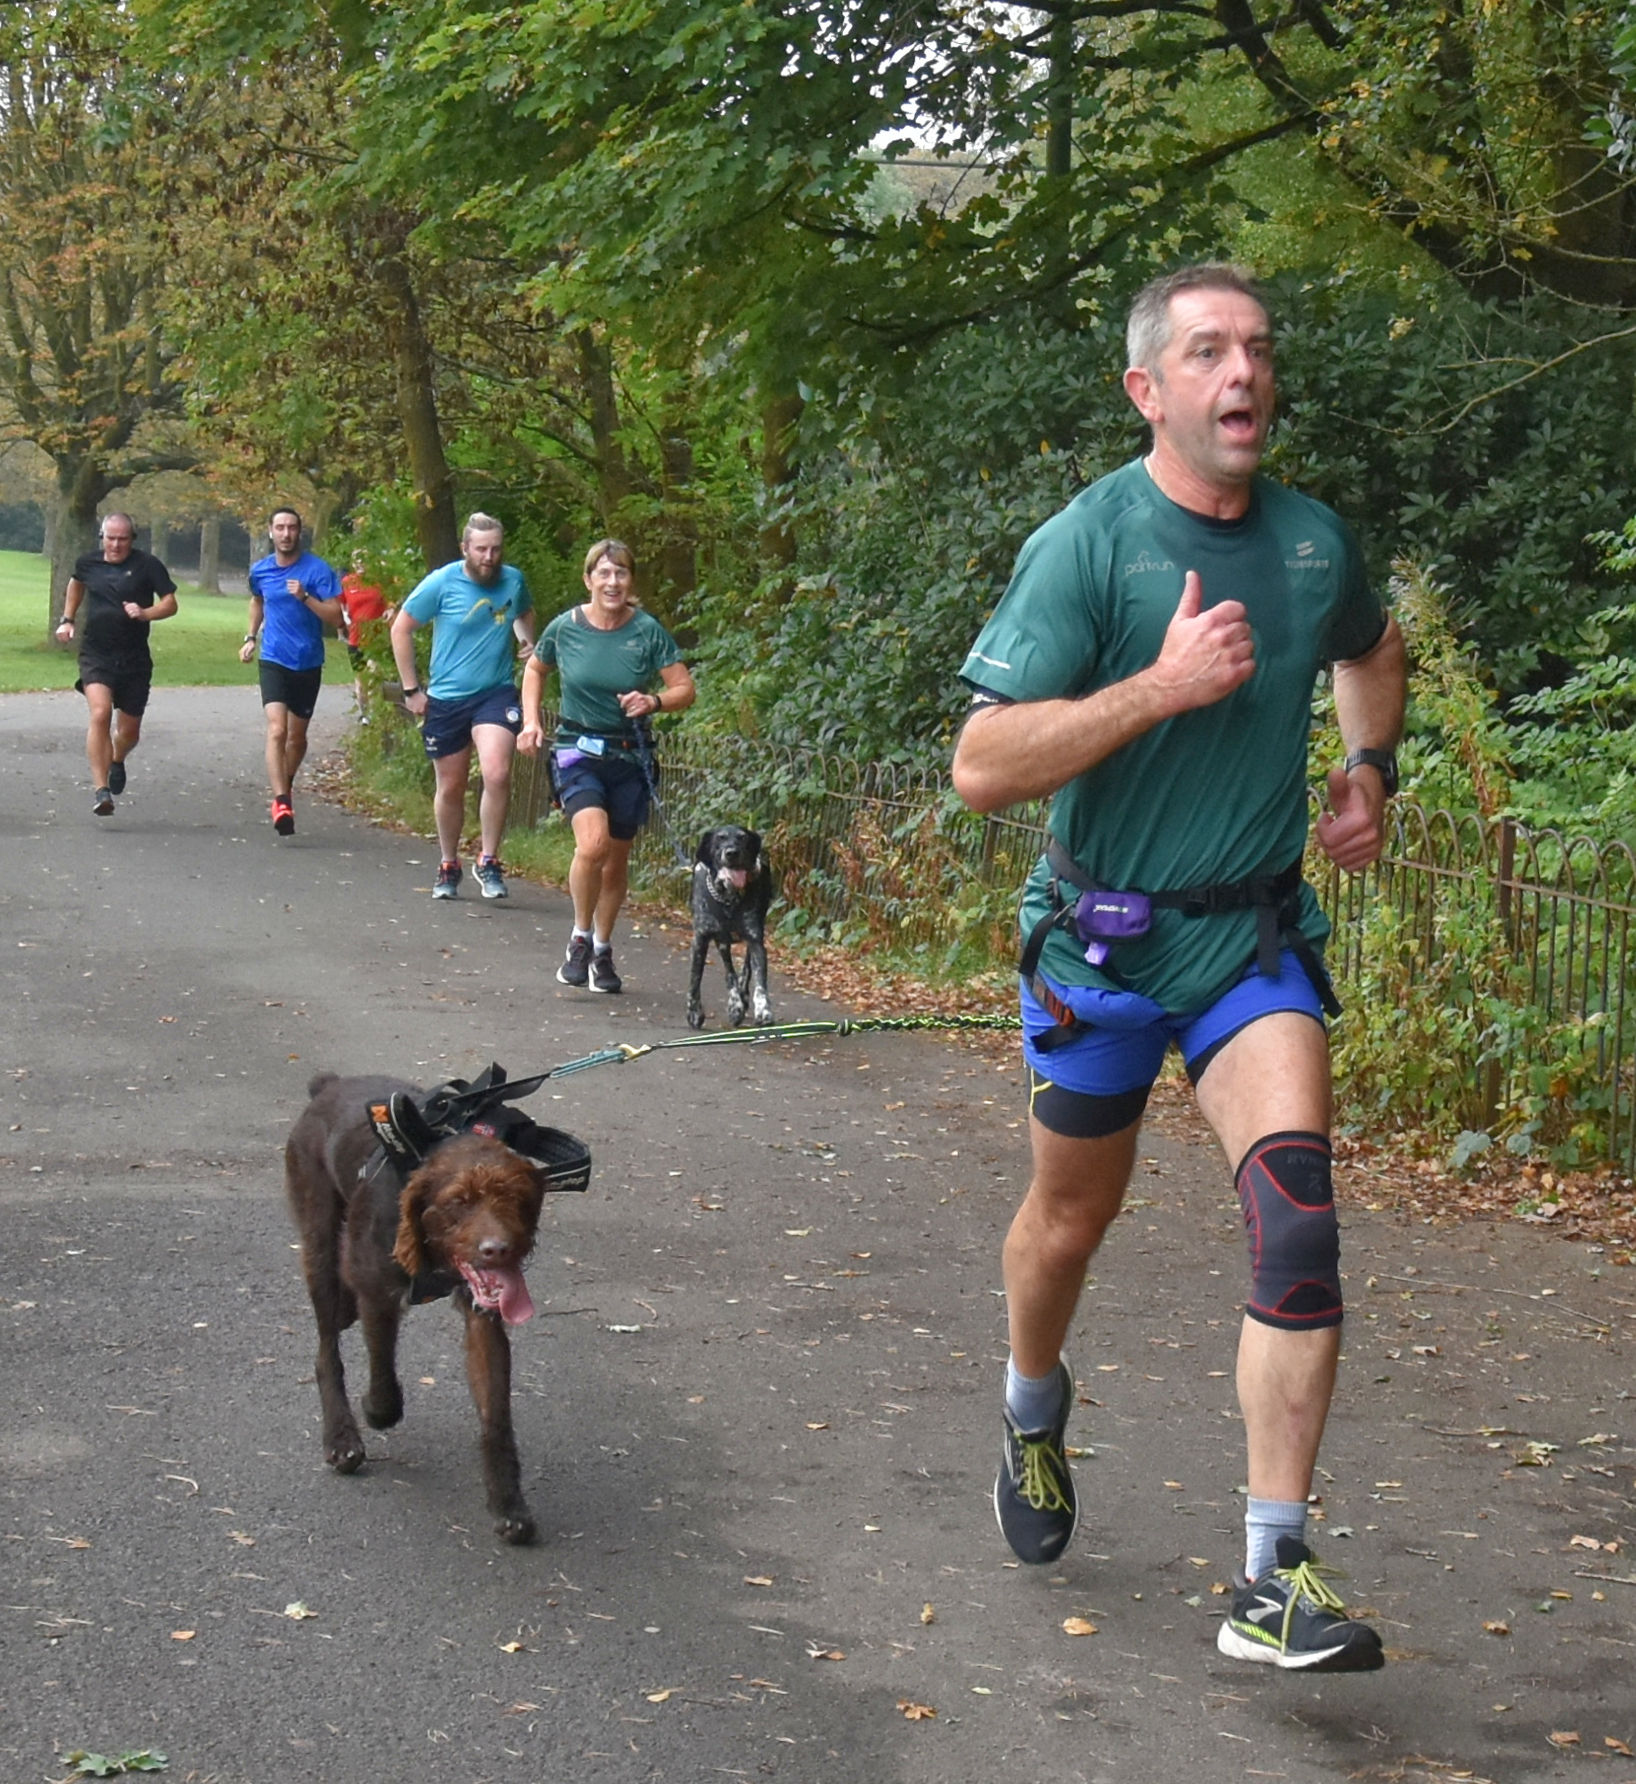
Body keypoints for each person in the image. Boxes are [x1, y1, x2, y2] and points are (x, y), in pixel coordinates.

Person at [951, 263, 1406, 1672]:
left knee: (1300, 1222)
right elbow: (980, 767)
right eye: (1209, 351)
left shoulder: (1317, 543)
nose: (1245, 373)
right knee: (1066, 1228)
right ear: (1150, 390)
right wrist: (1160, 686)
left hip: (1249, 942)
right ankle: (1032, 1409)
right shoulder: (1090, 544)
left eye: (1260, 349)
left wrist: (1369, 767)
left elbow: (1376, 649)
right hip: (1101, 944)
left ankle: (1274, 1570)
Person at [518, 538, 695, 994]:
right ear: (588, 579)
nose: (612, 582)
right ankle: (578, 938)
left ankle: (602, 948)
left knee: (615, 864)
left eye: (620, 574)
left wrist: (653, 700)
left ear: (630, 581)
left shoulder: (647, 632)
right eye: (604, 573)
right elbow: (536, 669)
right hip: (577, 747)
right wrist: (533, 723)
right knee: (592, 844)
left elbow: (684, 689)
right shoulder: (566, 627)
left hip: (628, 755)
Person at [390, 513, 536, 901]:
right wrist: (411, 690)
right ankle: (449, 862)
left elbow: (521, 611)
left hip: (496, 692)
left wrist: (526, 640)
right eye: (481, 549)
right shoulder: (442, 582)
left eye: (496, 549)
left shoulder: (513, 579)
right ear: (465, 549)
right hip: (448, 697)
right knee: (451, 786)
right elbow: (400, 629)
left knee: (497, 772)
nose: (489, 557)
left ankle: (488, 859)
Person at [54, 513, 179, 817]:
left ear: (132, 539)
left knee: (129, 732)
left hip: (135, 659)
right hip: (96, 654)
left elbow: (170, 603)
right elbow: (76, 583)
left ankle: (117, 759)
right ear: (102, 537)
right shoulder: (88, 563)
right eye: (110, 538)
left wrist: (145, 613)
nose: (116, 544)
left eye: (122, 539)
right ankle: (101, 791)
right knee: (100, 712)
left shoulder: (147, 565)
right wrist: (68, 619)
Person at [239, 508, 343, 836]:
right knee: (277, 730)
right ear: (270, 532)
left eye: (292, 528)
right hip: (273, 658)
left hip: (308, 661)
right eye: (280, 528)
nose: (286, 534)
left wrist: (306, 597)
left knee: (297, 737)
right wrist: (250, 637)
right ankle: (281, 800)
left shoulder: (318, 570)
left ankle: (286, 780)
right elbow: (258, 601)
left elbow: (337, 617)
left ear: (300, 532)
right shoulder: (261, 571)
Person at [339, 553, 394, 717]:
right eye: (357, 559)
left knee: (374, 674)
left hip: (376, 640)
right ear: (353, 563)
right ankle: (364, 714)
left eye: (365, 559)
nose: (361, 563)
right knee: (360, 680)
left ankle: (377, 715)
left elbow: (390, 603)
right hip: (356, 639)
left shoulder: (379, 582)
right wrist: (344, 616)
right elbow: (340, 602)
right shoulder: (348, 582)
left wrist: (389, 611)